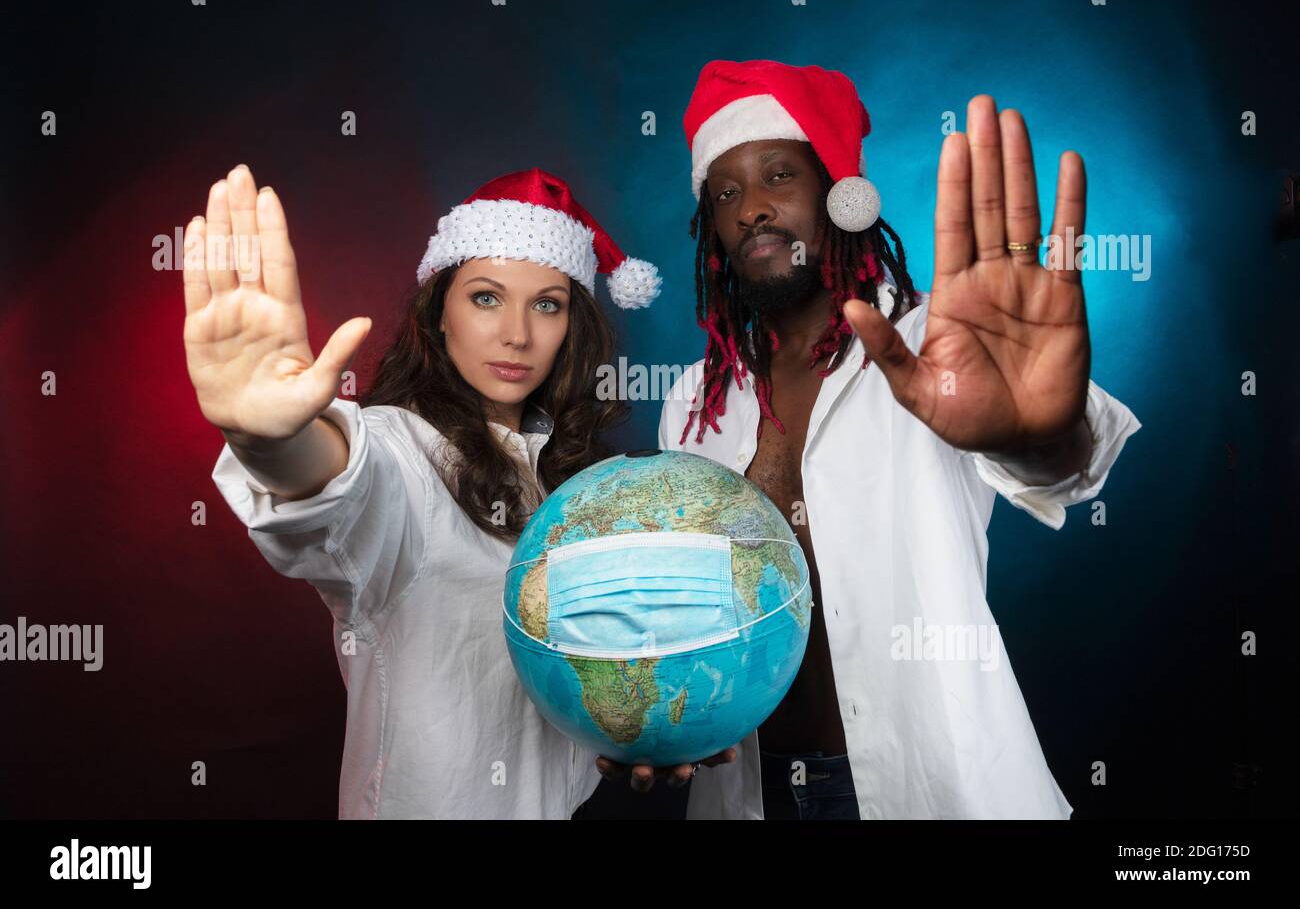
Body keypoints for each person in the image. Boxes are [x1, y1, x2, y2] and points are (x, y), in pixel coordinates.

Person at [603, 59, 1142, 818]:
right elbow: (694, 609)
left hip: (925, 781)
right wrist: (643, 716)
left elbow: (1063, 470)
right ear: (712, 232)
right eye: (726, 193)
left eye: (779, 175)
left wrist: (1040, 436)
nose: (752, 207)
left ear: (839, 198)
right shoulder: (693, 402)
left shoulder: (937, 344)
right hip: (746, 792)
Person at [187, 164, 707, 817]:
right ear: (438, 315)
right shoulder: (399, 452)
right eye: (486, 297)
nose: (517, 333)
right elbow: (336, 484)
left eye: (547, 303)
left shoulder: (571, 481)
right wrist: (273, 439)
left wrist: (654, 726)